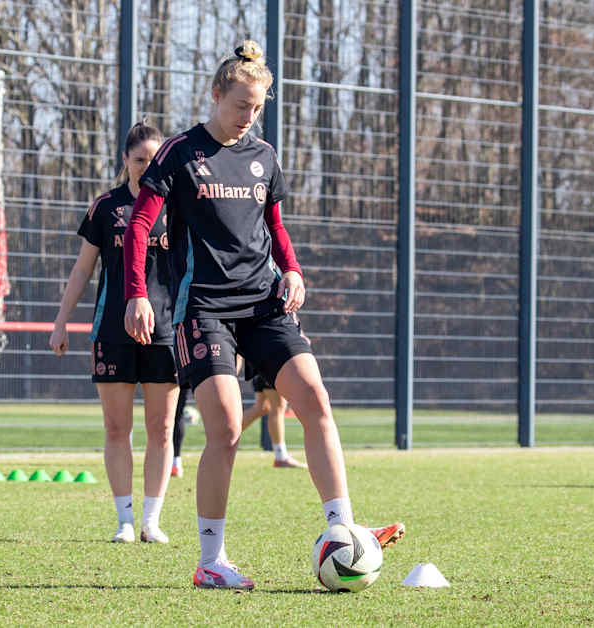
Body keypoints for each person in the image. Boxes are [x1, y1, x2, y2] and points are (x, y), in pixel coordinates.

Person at [122, 40, 404, 590]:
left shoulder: (264, 156)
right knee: (225, 426)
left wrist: (292, 270)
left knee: (315, 398)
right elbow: (138, 225)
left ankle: (341, 527)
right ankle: (211, 560)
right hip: (202, 306)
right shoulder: (179, 154)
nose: (247, 117)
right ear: (216, 93)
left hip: (264, 301)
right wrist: (136, 293)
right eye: (240, 105)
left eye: (257, 107)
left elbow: (274, 227)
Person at [50, 121, 178, 544]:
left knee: (161, 430)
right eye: (139, 159)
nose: (146, 166)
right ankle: (124, 520)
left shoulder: (177, 205)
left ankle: (151, 520)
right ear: (125, 159)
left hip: (165, 330)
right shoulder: (106, 207)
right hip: (113, 330)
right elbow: (83, 269)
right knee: (116, 428)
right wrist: (61, 320)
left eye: (153, 159)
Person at [240, 355, 305, 469]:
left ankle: (222, 436)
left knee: (262, 407)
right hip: (271, 362)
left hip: (258, 364)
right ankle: (281, 456)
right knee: (278, 408)